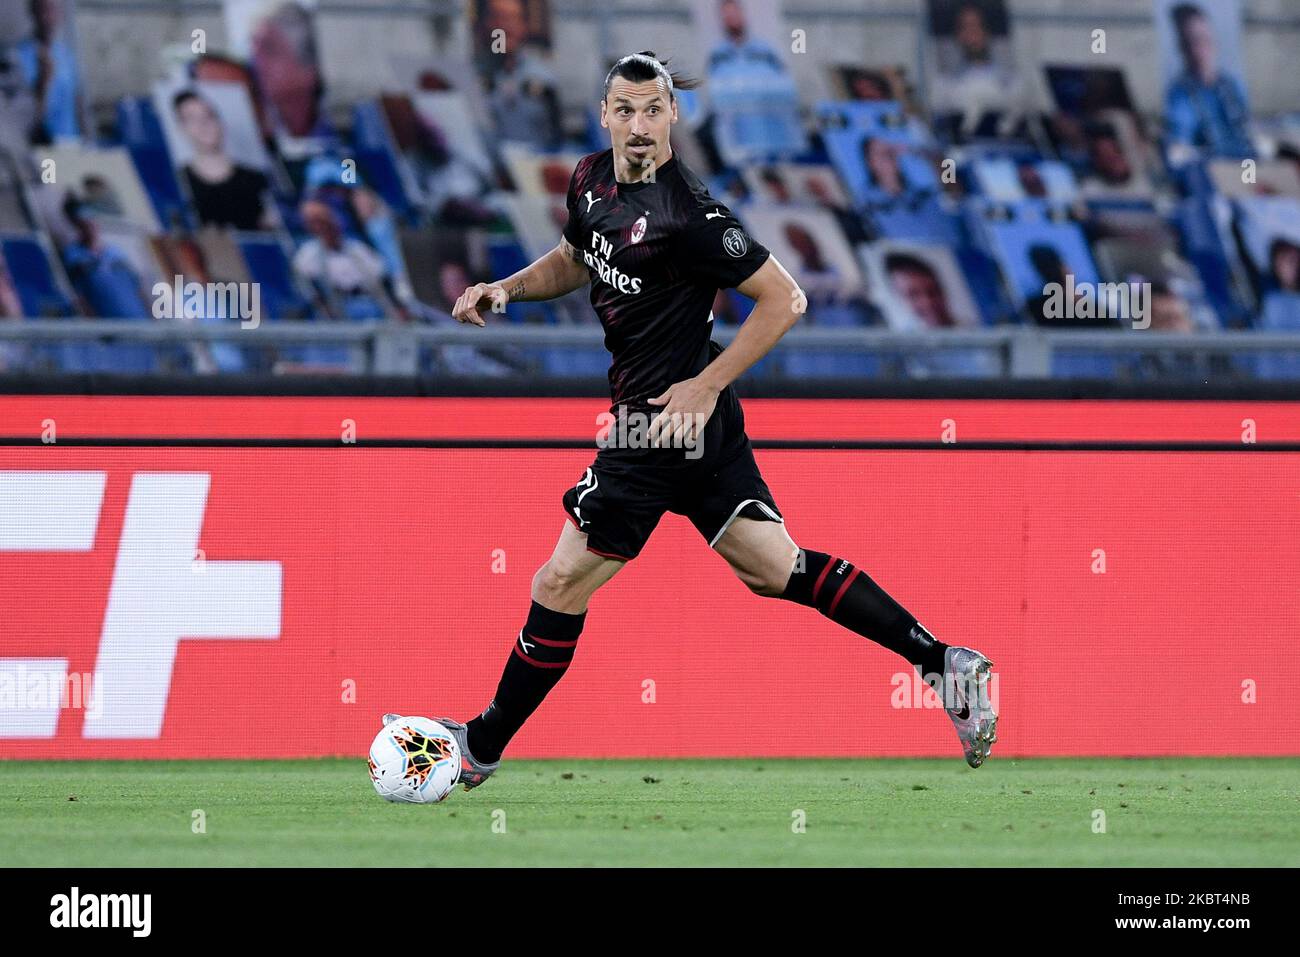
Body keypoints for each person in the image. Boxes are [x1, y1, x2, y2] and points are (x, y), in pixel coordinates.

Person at [390, 52, 999, 791]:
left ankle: (479, 748)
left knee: (558, 583)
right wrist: (507, 289)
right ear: (605, 113)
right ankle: (942, 661)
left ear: (674, 114)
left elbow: (786, 300)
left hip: (656, 425)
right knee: (774, 567)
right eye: (627, 109)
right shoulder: (589, 180)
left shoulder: (693, 216)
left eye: (655, 109)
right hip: (690, 425)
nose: (641, 125)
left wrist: (707, 384)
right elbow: (577, 258)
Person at [172, 90, 273, 231]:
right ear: (181, 127)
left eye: (208, 115)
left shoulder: (257, 179)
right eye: (192, 119)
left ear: (219, 120)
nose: (203, 124)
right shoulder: (178, 184)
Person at [1164, 2, 1252, 157]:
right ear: (1182, 47)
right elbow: (1181, 141)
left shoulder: (1231, 84)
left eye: (1204, 39)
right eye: (1191, 42)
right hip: (1210, 167)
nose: (1199, 48)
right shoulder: (1180, 93)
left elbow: (1246, 129)